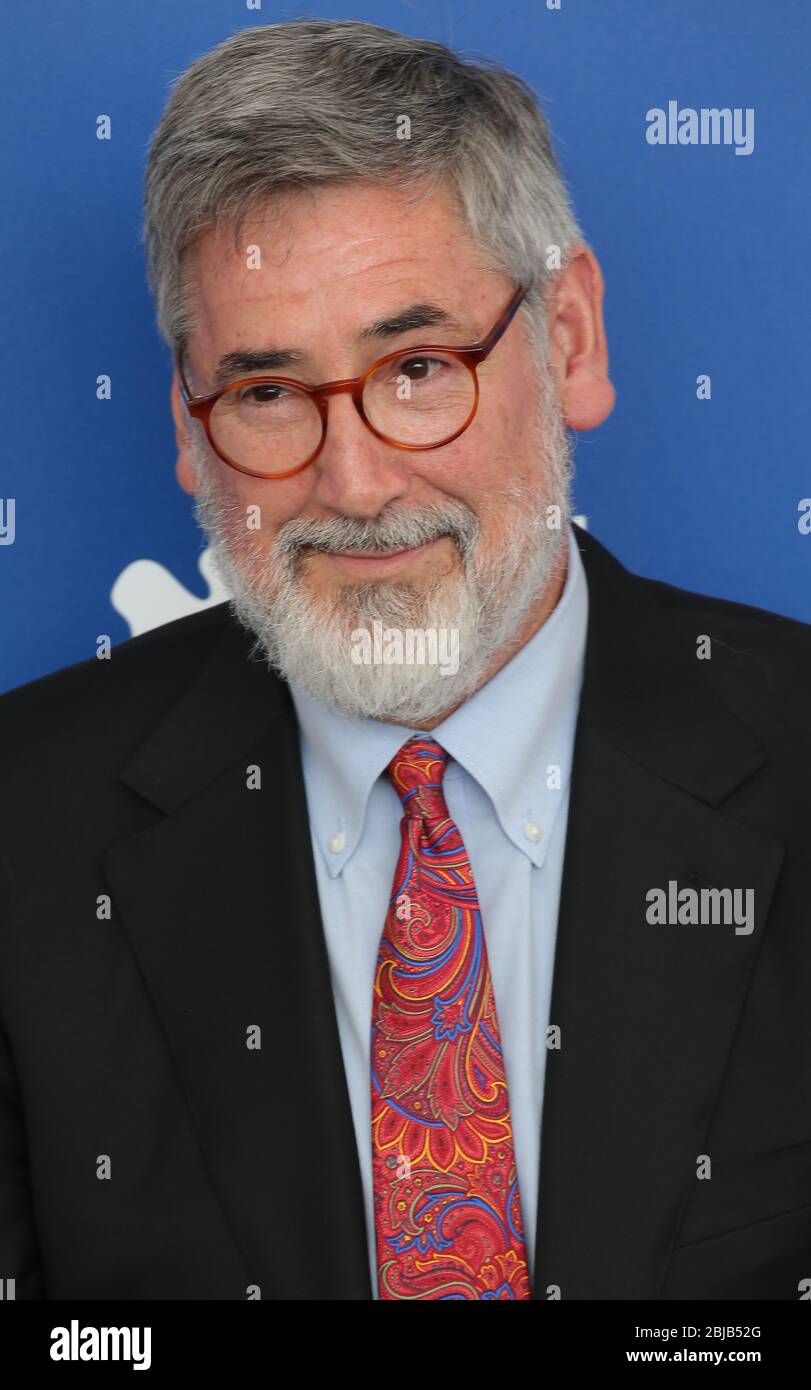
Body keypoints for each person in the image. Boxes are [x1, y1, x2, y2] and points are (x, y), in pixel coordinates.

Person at [1, 18, 810, 1302]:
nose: (356, 483)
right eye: (268, 393)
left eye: (419, 368)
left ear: (571, 338)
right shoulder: (21, 826)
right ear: (188, 425)